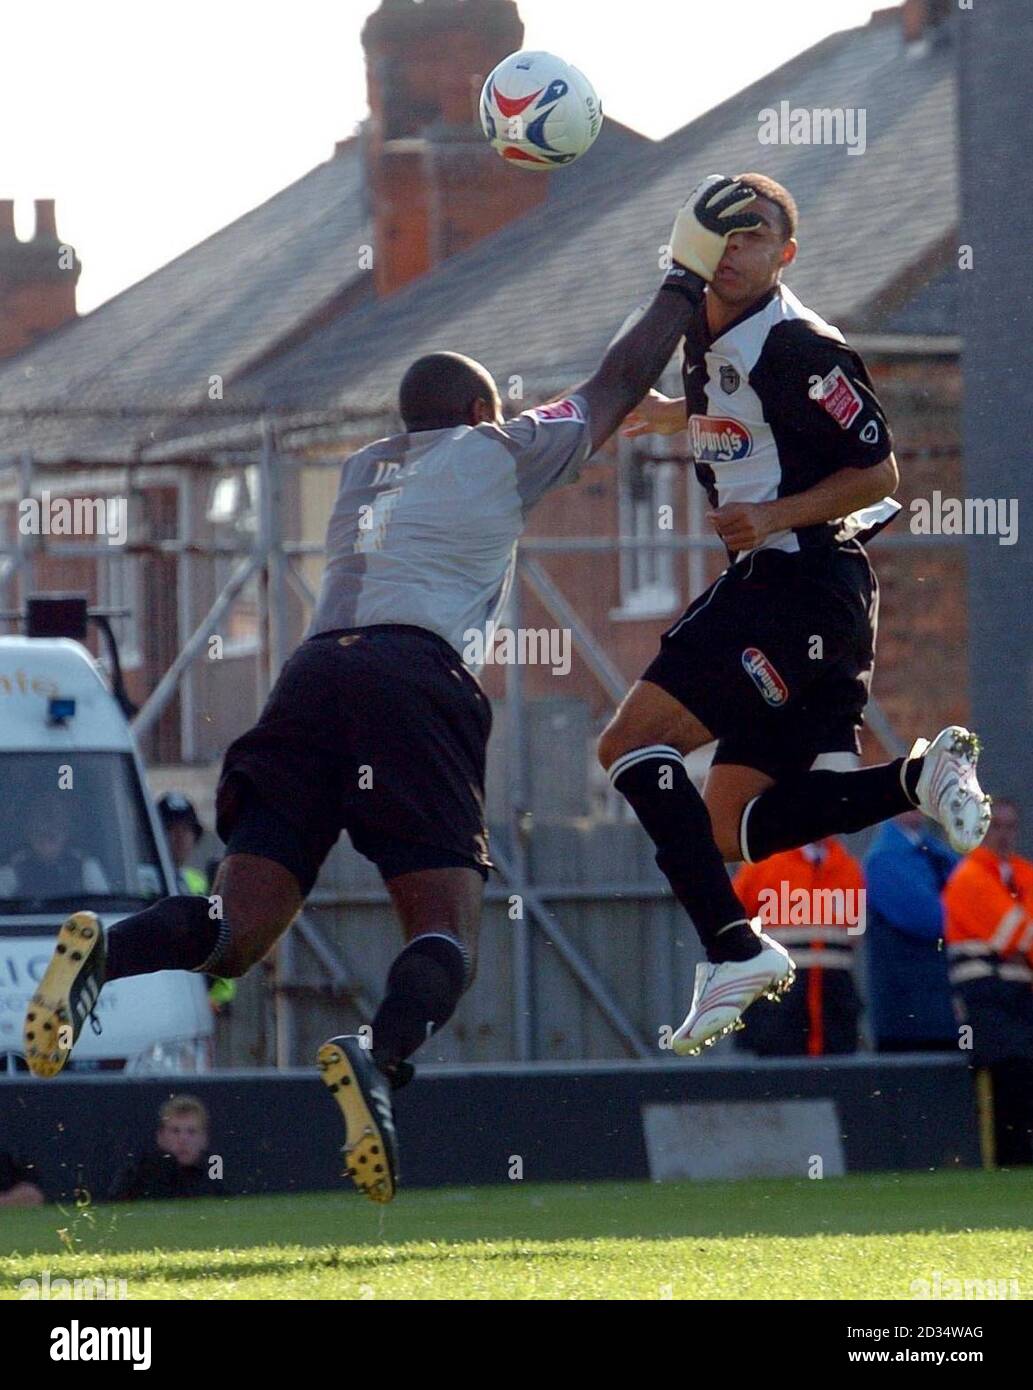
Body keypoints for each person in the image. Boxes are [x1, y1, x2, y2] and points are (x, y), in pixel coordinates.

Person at [24, 176, 773, 1203]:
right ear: (477, 413)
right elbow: (608, 380)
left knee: (237, 928)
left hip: (308, 679)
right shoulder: (494, 446)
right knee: (446, 930)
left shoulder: (368, 468)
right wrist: (684, 281)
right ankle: (376, 1055)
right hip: (411, 680)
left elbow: (581, 403)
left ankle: (104, 953)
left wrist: (610, 407)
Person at [598, 170, 991, 1056]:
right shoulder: (701, 324)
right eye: (721, 234)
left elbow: (880, 474)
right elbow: (742, 419)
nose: (733, 251)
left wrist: (771, 516)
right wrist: (672, 415)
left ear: (785, 253)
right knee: (730, 829)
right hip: (811, 597)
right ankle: (912, 783)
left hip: (793, 583)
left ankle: (730, 951)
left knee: (626, 744)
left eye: (753, 237)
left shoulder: (798, 346)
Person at [943, 798, 1033, 1166]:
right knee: (1005, 1077)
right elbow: (1020, 936)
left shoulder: (1021, 873)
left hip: (1020, 995)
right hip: (987, 999)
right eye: (995, 826)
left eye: (1010, 826)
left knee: (1024, 1078)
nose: (1004, 835)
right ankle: (1002, 1165)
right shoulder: (969, 877)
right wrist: (1019, 943)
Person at [732, 838, 864, 1056]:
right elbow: (732, 926)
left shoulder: (847, 867)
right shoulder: (764, 865)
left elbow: (853, 935)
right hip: (777, 1012)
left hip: (834, 1010)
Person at [864, 809, 959, 1052]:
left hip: (943, 1011)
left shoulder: (939, 854)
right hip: (906, 1016)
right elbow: (929, 918)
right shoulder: (882, 860)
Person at [158, 792, 235, 1010]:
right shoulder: (138, 884)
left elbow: (222, 947)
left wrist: (217, 998)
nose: (179, 838)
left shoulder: (201, 884)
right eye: (170, 830)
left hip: (197, 1006)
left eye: (186, 830)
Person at [108, 1095, 223, 1201]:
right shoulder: (138, 1176)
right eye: (175, 1131)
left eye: (192, 1132)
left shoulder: (215, 1172)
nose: (183, 1139)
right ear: (160, 1136)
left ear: (204, 1138)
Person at [0, 793, 110, 900]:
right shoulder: (11, 870)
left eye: (56, 825)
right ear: (27, 831)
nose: (48, 828)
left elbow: (103, 911)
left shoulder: (86, 868)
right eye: (39, 829)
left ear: (67, 831)